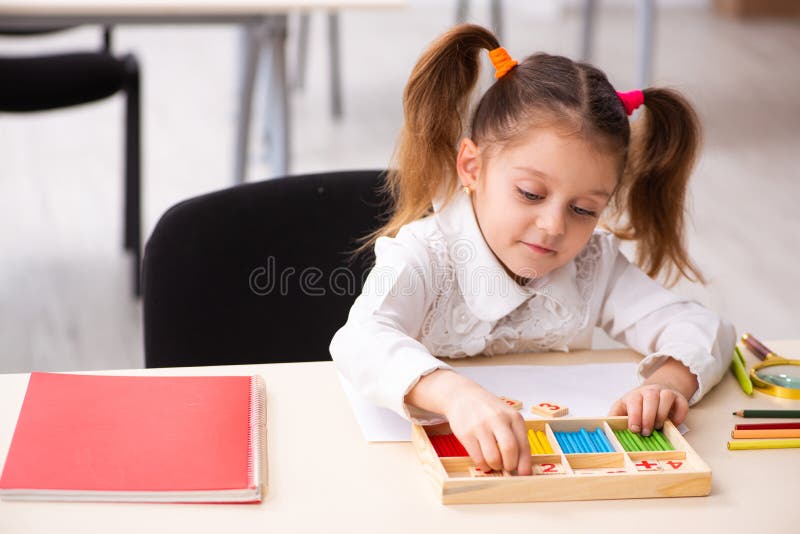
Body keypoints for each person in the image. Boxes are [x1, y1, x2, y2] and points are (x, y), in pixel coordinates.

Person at [329, 24, 735, 477]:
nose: (554, 226)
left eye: (583, 208)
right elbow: (360, 340)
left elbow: (702, 326)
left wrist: (666, 384)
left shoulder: (593, 263)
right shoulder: (422, 255)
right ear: (472, 166)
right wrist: (453, 394)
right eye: (530, 193)